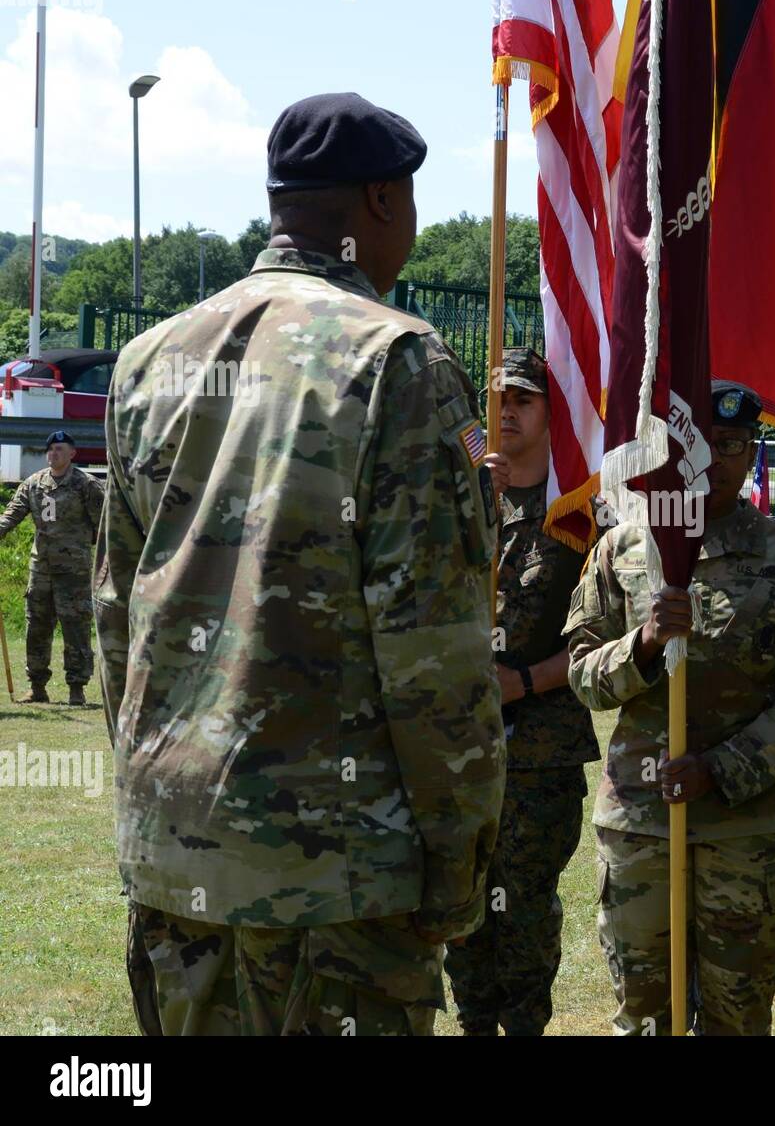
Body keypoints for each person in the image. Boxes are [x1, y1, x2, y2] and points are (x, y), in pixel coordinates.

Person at [93, 92, 506, 1036]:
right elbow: (433, 656)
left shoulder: (150, 360)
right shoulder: (395, 360)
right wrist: (459, 861)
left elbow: (118, 612)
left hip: (177, 851)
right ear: (380, 201)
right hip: (338, 881)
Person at [564, 380, 775, 1035]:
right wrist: (641, 642)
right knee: (643, 1015)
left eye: (731, 445)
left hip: (745, 831)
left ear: (752, 454)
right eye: (700, 444)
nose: (714, 459)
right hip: (641, 822)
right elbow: (583, 675)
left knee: (738, 1015)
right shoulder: (626, 548)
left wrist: (723, 768)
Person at [444, 347, 600, 1036]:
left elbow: (605, 635)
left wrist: (526, 681)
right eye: (497, 398)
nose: (505, 410)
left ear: (549, 411)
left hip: (540, 752)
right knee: (461, 905)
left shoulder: (577, 513)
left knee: (523, 911)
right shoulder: (466, 498)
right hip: (458, 747)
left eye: (522, 399)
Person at [0, 430, 102, 705]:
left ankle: (77, 688)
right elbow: (13, 513)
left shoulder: (87, 485)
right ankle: (37, 686)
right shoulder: (34, 484)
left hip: (73, 570)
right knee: (37, 626)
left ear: (72, 454)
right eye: (51, 449)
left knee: (75, 627)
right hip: (40, 569)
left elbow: (103, 526)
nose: (53, 453)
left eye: (60, 449)